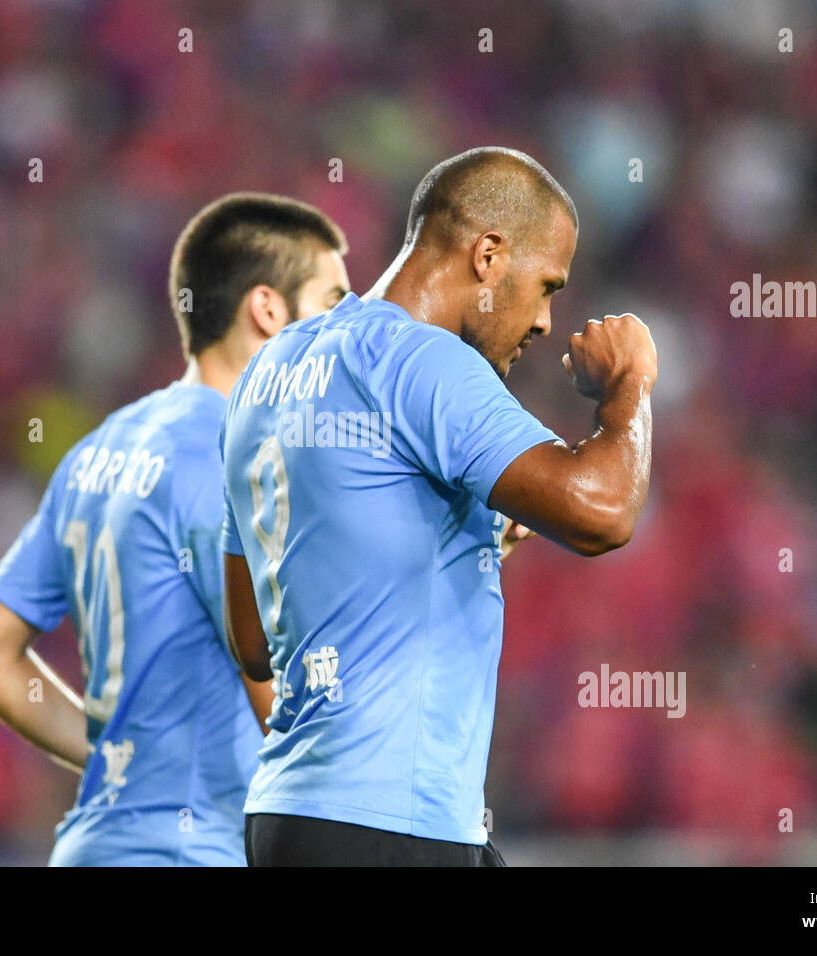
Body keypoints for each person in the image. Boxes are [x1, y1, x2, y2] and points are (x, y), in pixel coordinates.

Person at [221, 147, 658, 866]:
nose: (547, 320)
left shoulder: (269, 370)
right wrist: (632, 383)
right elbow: (603, 511)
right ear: (488, 255)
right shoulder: (425, 362)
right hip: (397, 827)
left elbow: (252, 640)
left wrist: (460, 542)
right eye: (546, 285)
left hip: (287, 819)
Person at [0, 192, 349, 865]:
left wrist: (120, 764)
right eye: (334, 302)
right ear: (268, 310)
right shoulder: (233, 462)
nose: (348, 331)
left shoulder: (100, 451)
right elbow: (282, 703)